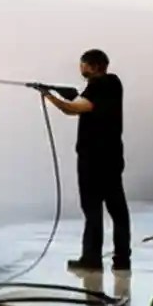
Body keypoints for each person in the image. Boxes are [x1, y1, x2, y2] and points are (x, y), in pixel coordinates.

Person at [38, 49, 130, 273]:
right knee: (117, 210)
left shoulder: (99, 86)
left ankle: (91, 259)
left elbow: (74, 109)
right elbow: (84, 101)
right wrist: (64, 93)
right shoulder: (113, 83)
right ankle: (121, 259)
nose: (81, 69)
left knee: (92, 209)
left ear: (93, 66)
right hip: (112, 157)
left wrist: (48, 96)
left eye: (83, 65)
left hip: (94, 160)